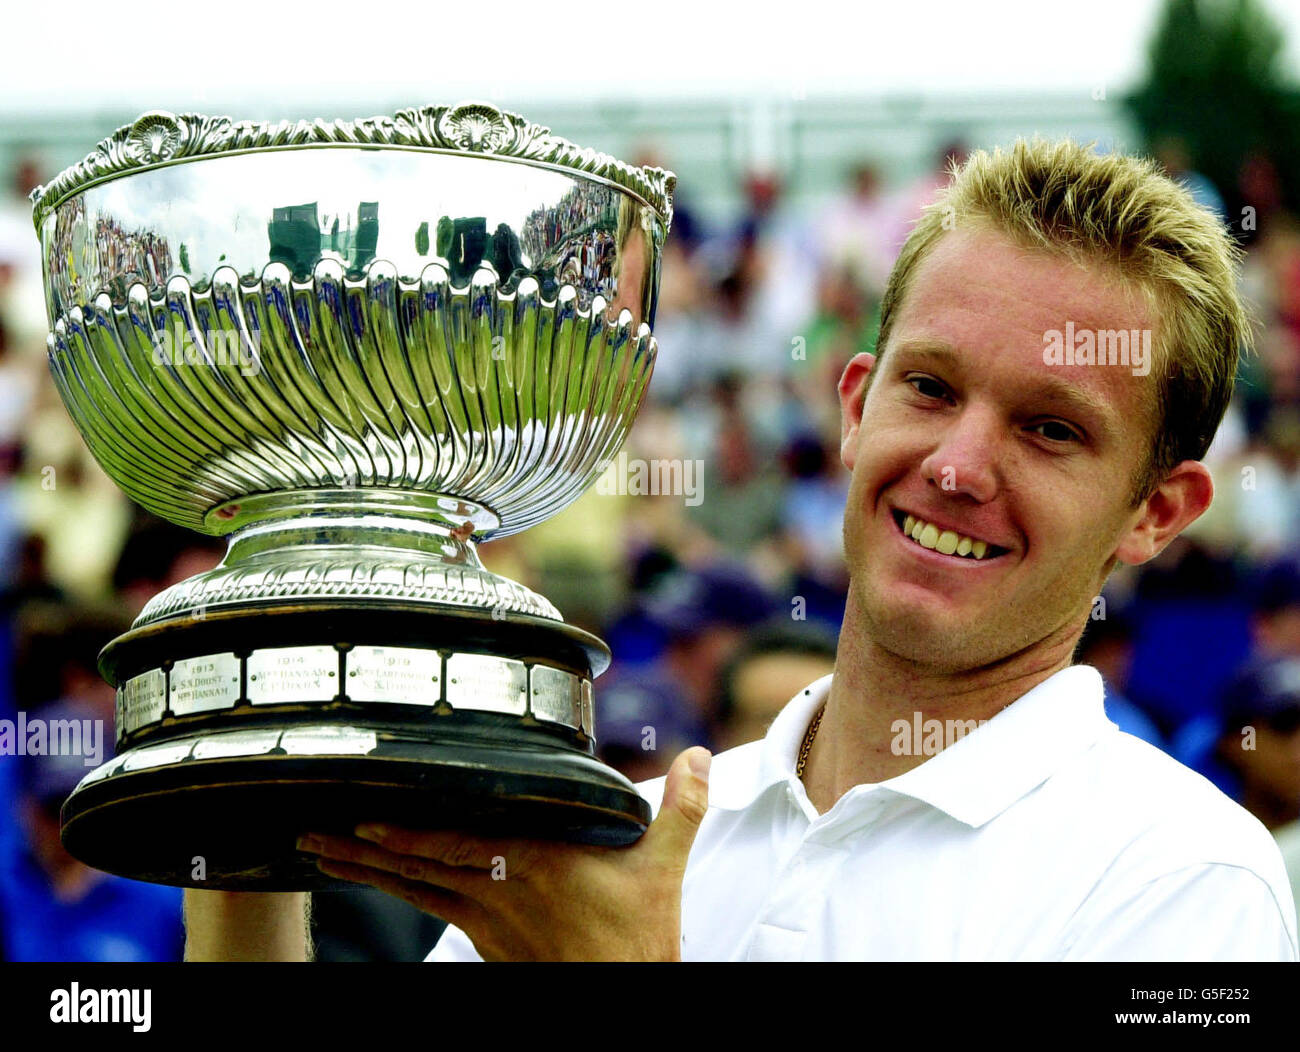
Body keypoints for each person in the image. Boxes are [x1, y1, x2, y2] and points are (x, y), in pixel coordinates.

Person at [185, 138, 1298, 961]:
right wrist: (246, 853)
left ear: (1158, 510)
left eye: (1050, 428)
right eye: (930, 386)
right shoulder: (628, 835)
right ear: (856, 405)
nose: (958, 465)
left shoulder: (1182, 880)